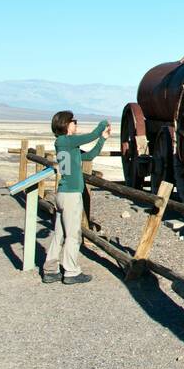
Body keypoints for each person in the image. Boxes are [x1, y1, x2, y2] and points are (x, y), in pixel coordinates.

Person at [43, 111, 109, 285]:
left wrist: (103, 139)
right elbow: (90, 136)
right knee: (73, 235)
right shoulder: (66, 140)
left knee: (59, 234)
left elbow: (89, 156)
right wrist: (102, 124)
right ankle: (71, 272)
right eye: (74, 121)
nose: (76, 124)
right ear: (65, 124)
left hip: (63, 194)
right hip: (71, 195)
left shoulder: (66, 145)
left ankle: (50, 270)